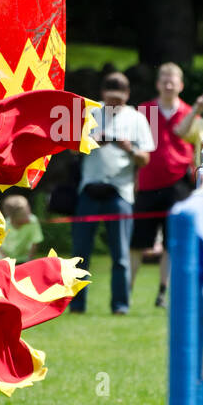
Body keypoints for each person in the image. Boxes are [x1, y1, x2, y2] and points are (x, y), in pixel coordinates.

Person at [70, 72, 153, 315]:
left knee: (120, 255)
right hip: (89, 188)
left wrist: (129, 149)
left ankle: (120, 306)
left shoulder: (138, 118)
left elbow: (145, 159)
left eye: (119, 99)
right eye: (111, 99)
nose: (115, 104)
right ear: (103, 94)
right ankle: (76, 306)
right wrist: (91, 141)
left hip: (120, 192)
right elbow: (71, 151)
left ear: (127, 95)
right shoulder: (91, 112)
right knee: (80, 253)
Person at [130, 61, 195, 307]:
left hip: (179, 185)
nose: (168, 84)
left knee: (172, 242)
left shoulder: (190, 113)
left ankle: (162, 293)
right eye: (164, 80)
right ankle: (126, 292)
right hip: (146, 184)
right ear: (158, 84)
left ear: (180, 85)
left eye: (173, 80)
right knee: (137, 242)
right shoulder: (144, 111)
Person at [0, 194, 43, 263]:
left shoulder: (33, 222)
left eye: (28, 212)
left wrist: (29, 259)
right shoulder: (3, 226)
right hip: (5, 259)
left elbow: (35, 242)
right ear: (12, 217)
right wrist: (4, 258)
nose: (28, 217)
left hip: (24, 258)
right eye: (24, 216)